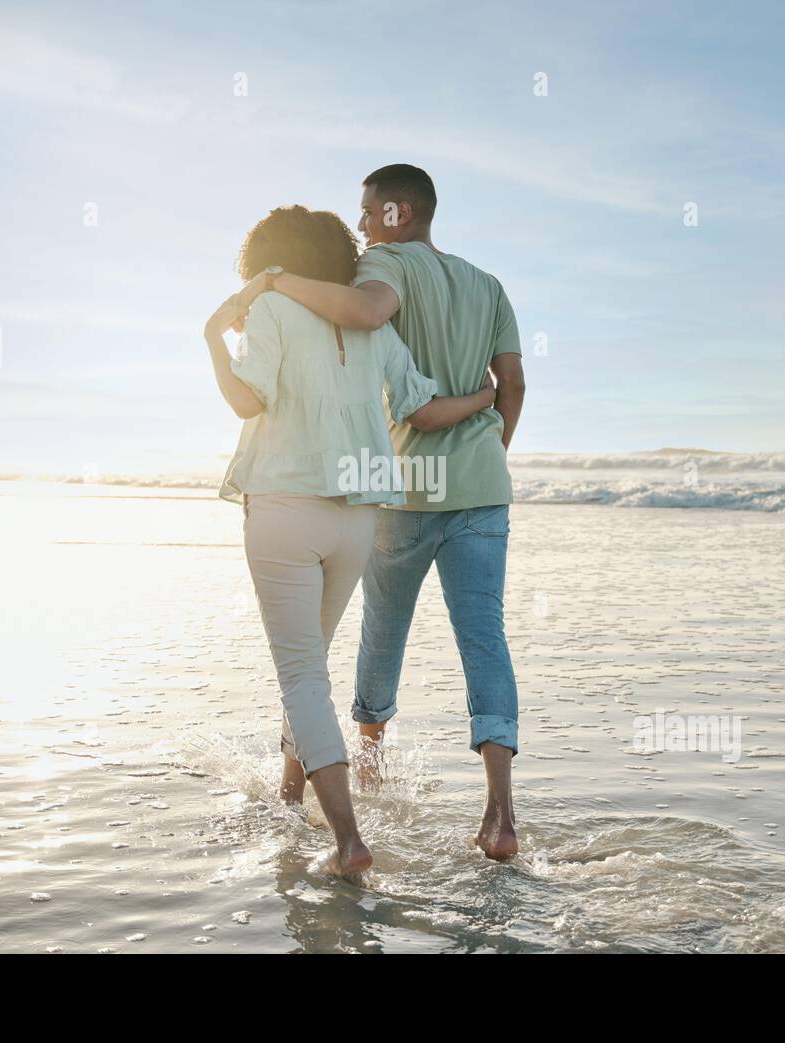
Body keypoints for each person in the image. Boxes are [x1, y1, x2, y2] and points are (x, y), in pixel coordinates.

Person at [236, 165, 526, 860]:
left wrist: (270, 283)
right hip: (482, 484)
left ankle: (361, 775)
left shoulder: (382, 265)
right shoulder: (488, 284)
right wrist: (488, 443)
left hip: (399, 490)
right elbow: (511, 381)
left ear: (396, 213)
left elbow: (364, 317)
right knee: (484, 638)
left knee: (376, 640)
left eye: (368, 212)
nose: (361, 225)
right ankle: (502, 815)